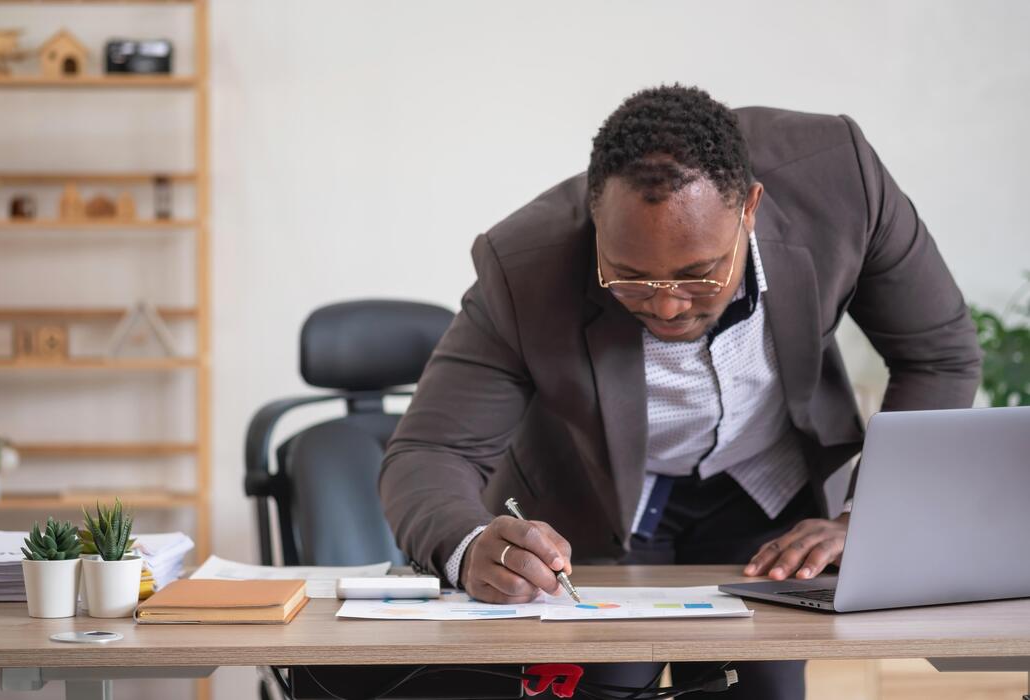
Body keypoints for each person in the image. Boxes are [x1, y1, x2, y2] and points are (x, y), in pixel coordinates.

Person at [379, 84, 981, 698]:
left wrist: (870, 516)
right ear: (594, 219)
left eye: (700, 275)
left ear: (751, 208)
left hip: (767, 497)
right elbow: (429, 451)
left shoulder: (841, 180)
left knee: (759, 686)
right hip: (590, 516)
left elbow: (938, 354)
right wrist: (472, 543)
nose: (666, 306)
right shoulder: (521, 265)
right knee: (608, 683)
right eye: (630, 278)